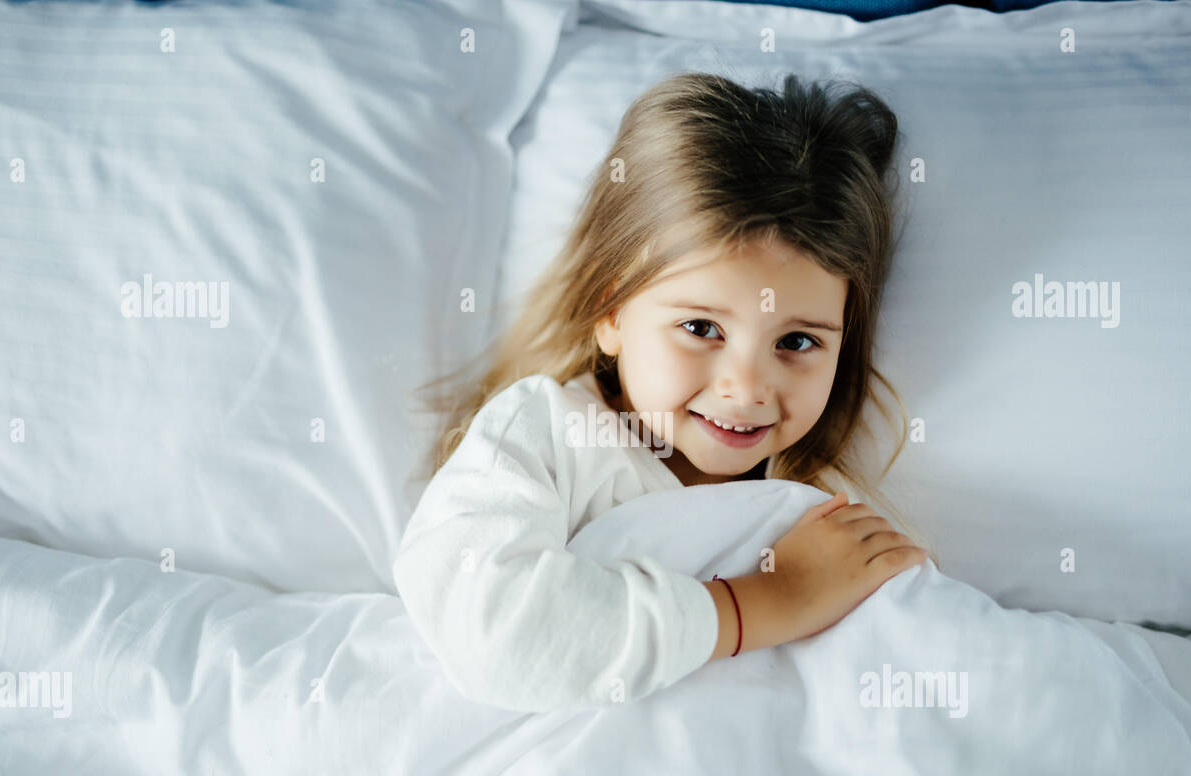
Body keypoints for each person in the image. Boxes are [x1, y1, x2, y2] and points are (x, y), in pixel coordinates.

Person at [394, 72, 936, 713]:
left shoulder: (822, 503)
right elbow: (491, 629)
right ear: (612, 310)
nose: (746, 389)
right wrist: (767, 602)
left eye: (796, 343)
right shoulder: (546, 435)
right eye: (701, 328)